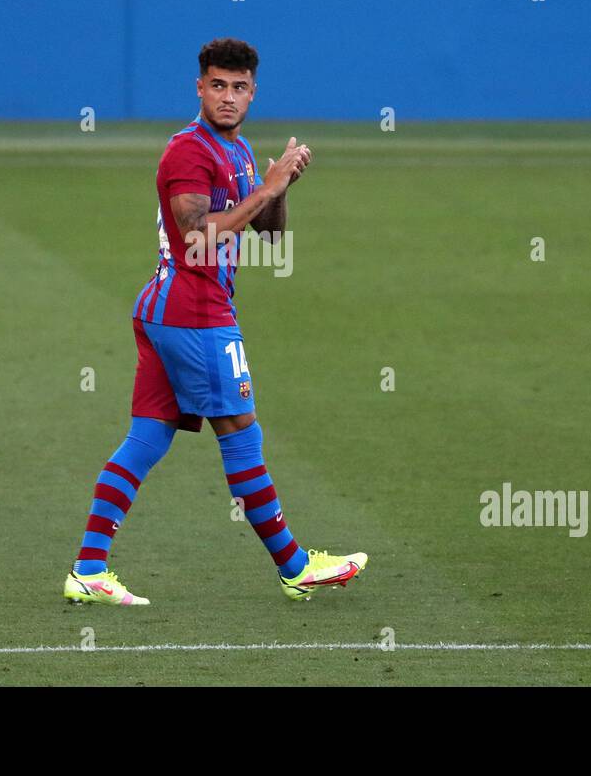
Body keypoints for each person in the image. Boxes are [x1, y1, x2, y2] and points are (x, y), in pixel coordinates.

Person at [62, 37, 367, 605]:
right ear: (199, 87)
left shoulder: (241, 152)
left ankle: (88, 568)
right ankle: (295, 566)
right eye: (218, 86)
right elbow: (199, 236)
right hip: (194, 315)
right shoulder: (188, 152)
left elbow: (269, 236)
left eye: (240, 87)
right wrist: (268, 189)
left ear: (254, 92)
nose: (228, 97)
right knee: (241, 433)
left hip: (168, 312)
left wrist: (279, 189)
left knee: (146, 438)